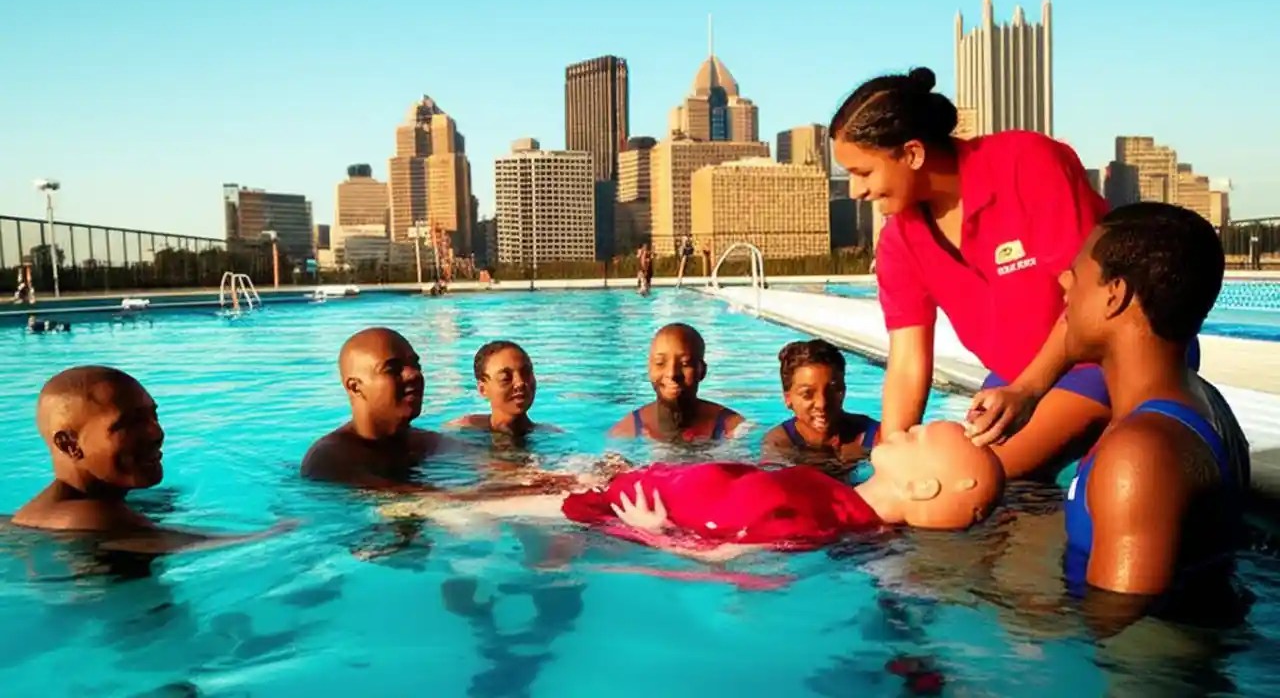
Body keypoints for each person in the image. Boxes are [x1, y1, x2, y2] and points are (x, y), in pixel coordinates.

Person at [829, 66, 1120, 481]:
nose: (856, 191)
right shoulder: (900, 241)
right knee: (922, 486)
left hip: (1097, 360)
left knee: (966, 480)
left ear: (912, 154)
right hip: (1014, 378)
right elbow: (909, 360)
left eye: (863, 172)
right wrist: (891, 464)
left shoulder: (1026, 163)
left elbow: (1090, 297)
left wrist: (1029, 390)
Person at [381, 421, 1004, 564]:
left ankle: (417, 514)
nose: (912, 426)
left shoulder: (829, 525)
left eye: (924, 435)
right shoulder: (840, 500)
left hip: (626, 510)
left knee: (478, 506)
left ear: (923, 486)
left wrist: (653, 534)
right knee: (512, 490)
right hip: (639, 486)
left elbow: (725, 557)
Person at [1058, 202, 1249, 598]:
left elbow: (1122, 637)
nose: (1063, 283)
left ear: (1116, 295)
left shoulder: (1139, 454)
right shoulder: (1201, 402)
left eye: (1077, 275)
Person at [10, 366, 295, 553]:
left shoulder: (60, 510)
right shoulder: (88, 516)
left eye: (153, 416)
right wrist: (290, 528)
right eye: (129, 423)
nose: (157, 433)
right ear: (69, 444)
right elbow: (203, 545)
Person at [302, 327, 461, 490]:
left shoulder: (425, 443)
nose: (414, 374)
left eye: (415, 364)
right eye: (392, 369)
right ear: (356, 387)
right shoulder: (330, 460)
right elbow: (405, 501)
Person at [761, 339, 879, 482]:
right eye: (807, 394)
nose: (822, 403)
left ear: (844, 389)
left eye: (833, 390)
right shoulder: (780, 443)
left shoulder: (872, 434)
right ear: (788, 398)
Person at [608, 323, 744, 442]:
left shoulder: (733, 428)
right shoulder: (627, 431)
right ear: (649, 370)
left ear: (702, 370)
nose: (672, 373)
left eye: (685, 364)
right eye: (660, 363)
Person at [447, 340, 561, 443]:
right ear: (482, 389)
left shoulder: (551, 437)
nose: (520, 382)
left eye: (526, 373)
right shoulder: (463, 429)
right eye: (506, 378)